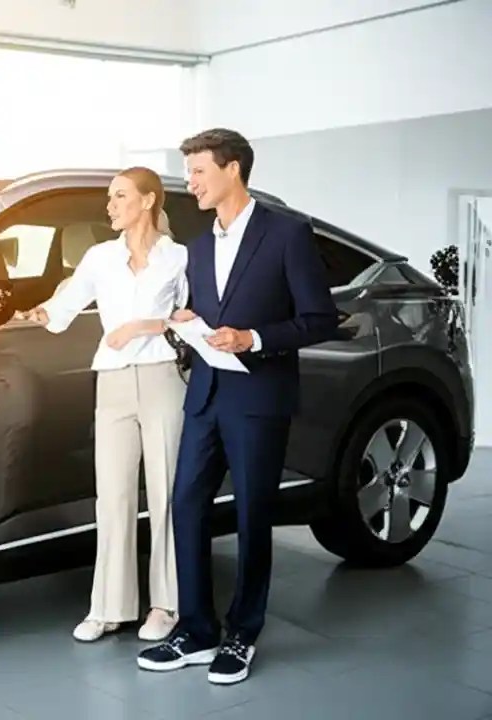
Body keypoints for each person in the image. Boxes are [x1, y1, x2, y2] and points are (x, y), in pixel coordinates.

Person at [136, 128, 337, 684]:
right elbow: (205, 315)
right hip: (205, 395)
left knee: (252, 516)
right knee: (186, 508)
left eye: (199, 171)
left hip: (258, 399)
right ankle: (197, 631)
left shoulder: (287, 235)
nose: (191, 182)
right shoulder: (200, 247)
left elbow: (319, 319)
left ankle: (242, 633)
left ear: (233, 170)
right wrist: (187, 327)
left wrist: (255, 338)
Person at [23, 167, 188, 644]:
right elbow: (65, 303)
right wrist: (39, 313)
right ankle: (109, 607)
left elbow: (189, 319)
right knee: (112, 496)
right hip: (112, 382)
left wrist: (141, 326)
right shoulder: (99, 257)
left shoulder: (177, 258)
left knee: (167, 494)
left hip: (163, 378)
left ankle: (166, 604)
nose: (110, 206)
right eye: (110, 197)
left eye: (119, 196)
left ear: (148, 200)